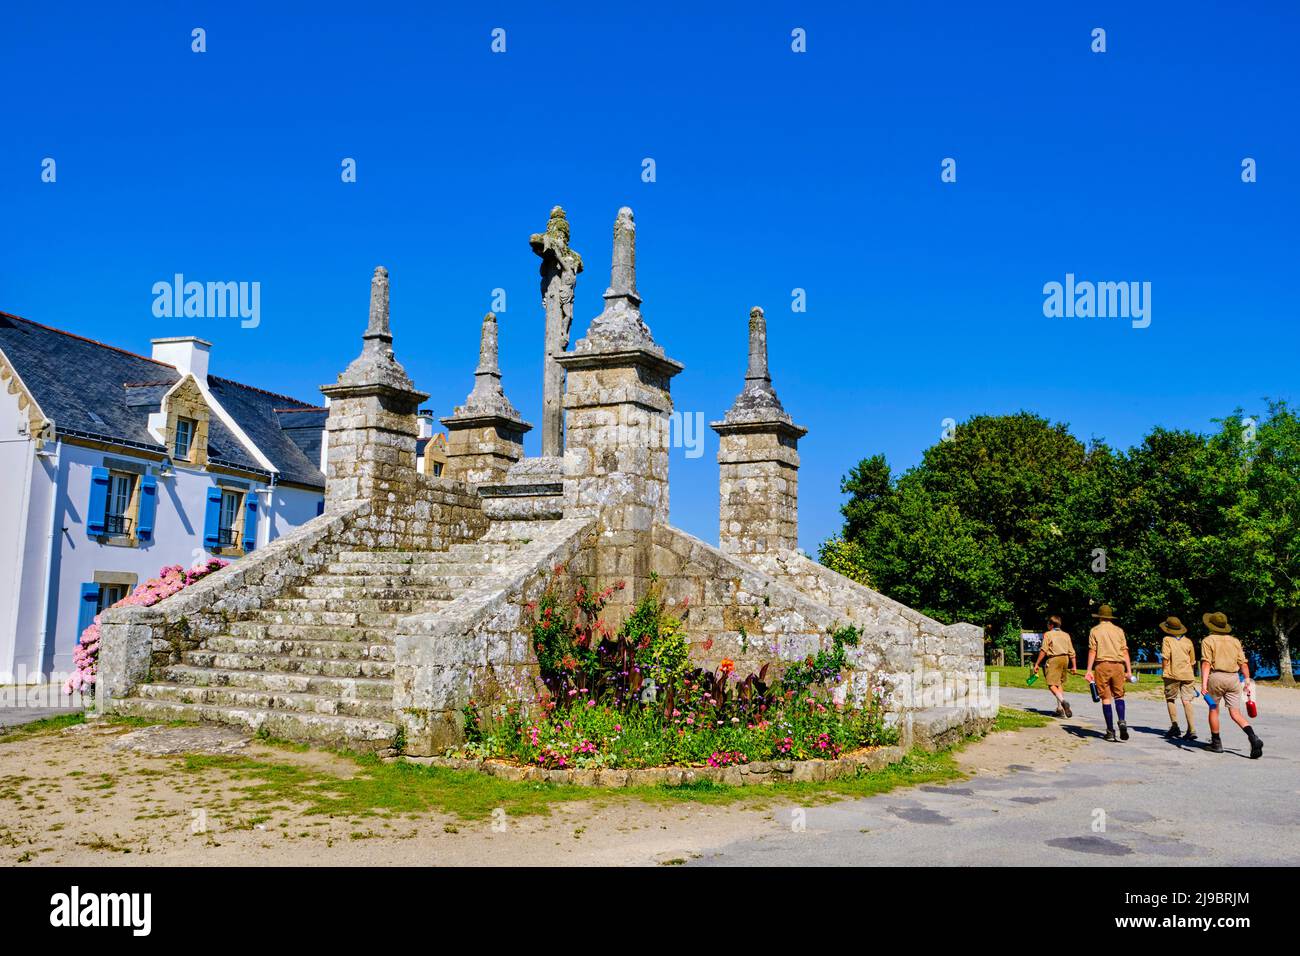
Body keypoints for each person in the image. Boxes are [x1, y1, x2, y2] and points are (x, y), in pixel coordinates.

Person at [1200, 611, 1263, 759]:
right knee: (1235, 713)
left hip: (1216, 677)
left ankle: (1216, 743)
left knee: (1213, 709)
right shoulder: (1235, 641)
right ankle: (1253, 737)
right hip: (1234, 678)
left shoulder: (1208, 640)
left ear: (1211, 626)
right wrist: (1247, 680)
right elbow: (1243, 663)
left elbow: (1206, 663)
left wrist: (1203, 685)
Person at [1085, 604, 1132, 742]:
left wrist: (1089, 670)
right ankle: (1122, 720)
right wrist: (1128, 671)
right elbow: (1125, 651)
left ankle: (1110, 730)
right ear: (1110, 617)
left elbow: (1092, 651)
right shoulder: (1119, 631)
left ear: (1100, 617)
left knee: (1106, 698)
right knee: (1119, 696)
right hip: (1118, 666)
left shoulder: (1095, 631)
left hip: (1102, 665)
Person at [1159, 616, 1198, 740]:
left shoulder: (1167, 640)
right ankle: (1192, 729)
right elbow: (1192, 661)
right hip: (1188, 674)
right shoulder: (1188, 641)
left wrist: (1164, 671)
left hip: (1172, 673)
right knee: (1187, 701)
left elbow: (1165, 657)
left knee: (1170, 699)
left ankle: (1175, 725)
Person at [1031, 616, 1076, 717]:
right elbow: (1072, 652)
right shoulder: (1066, 635)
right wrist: (1074, 666)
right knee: (1059, 683)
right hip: (1065, 659)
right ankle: (1060, 710)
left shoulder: (1048, 634)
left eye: (1048, 624)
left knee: (1051, 684)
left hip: (1054, 659)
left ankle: (1063, 702)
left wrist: (1037, 663)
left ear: (1051, 625)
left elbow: (1044, 650)